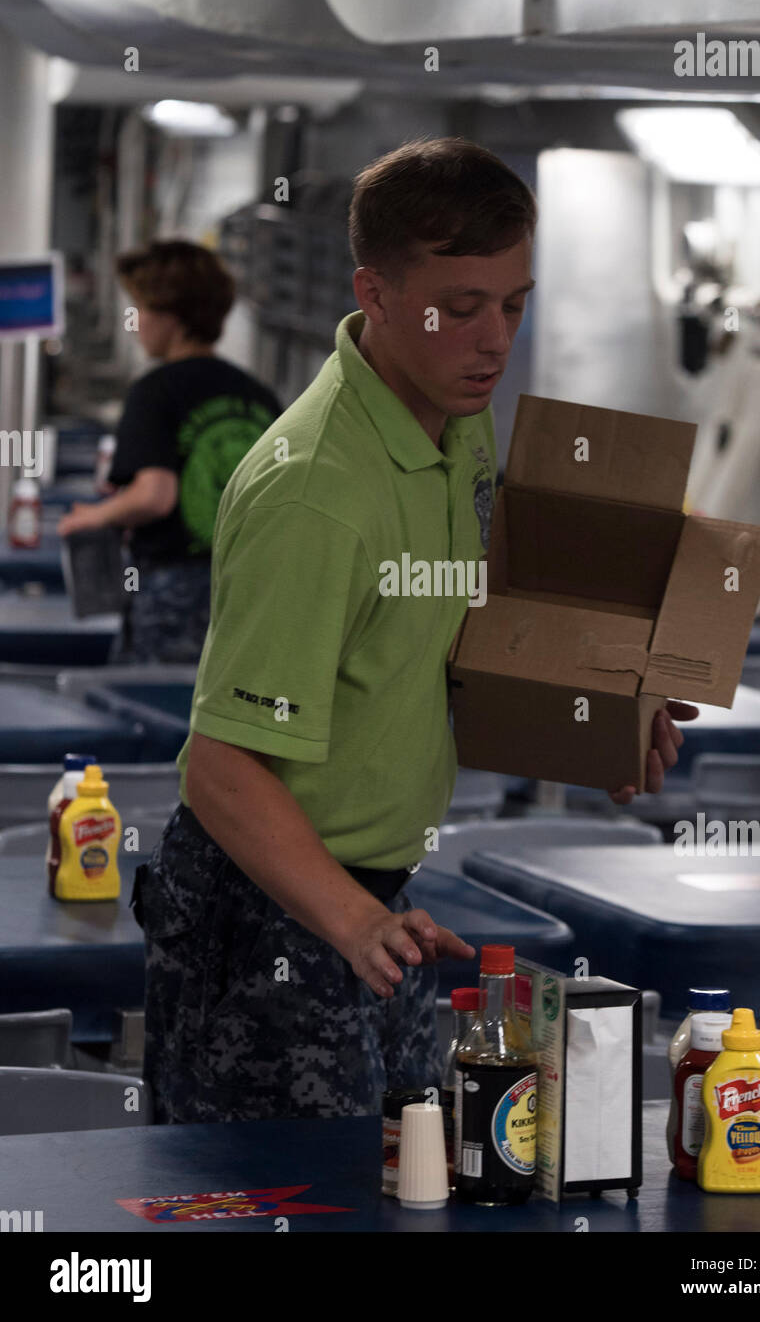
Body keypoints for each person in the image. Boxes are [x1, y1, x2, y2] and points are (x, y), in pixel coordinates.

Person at [134, 138, 697, 1124]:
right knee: (292, 1209)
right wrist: (350, 918)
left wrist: (598, 714)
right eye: (460, 306)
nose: (493, 341)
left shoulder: (455, 420)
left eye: (514, 304)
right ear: (376, 292)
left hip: (372, 898)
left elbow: (449, 634)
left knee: (412, 1183)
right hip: (263, 911)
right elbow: (219, 770)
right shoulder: (313, 492)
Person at [58, 239, 282, 663]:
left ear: (173, 317)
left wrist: (93, 517)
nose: (135, 322)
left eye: (141, 309)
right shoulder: (259, 397)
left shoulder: (154, 391)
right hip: (247, 592)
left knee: (155, 714)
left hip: (172, 593)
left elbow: (154, 495)